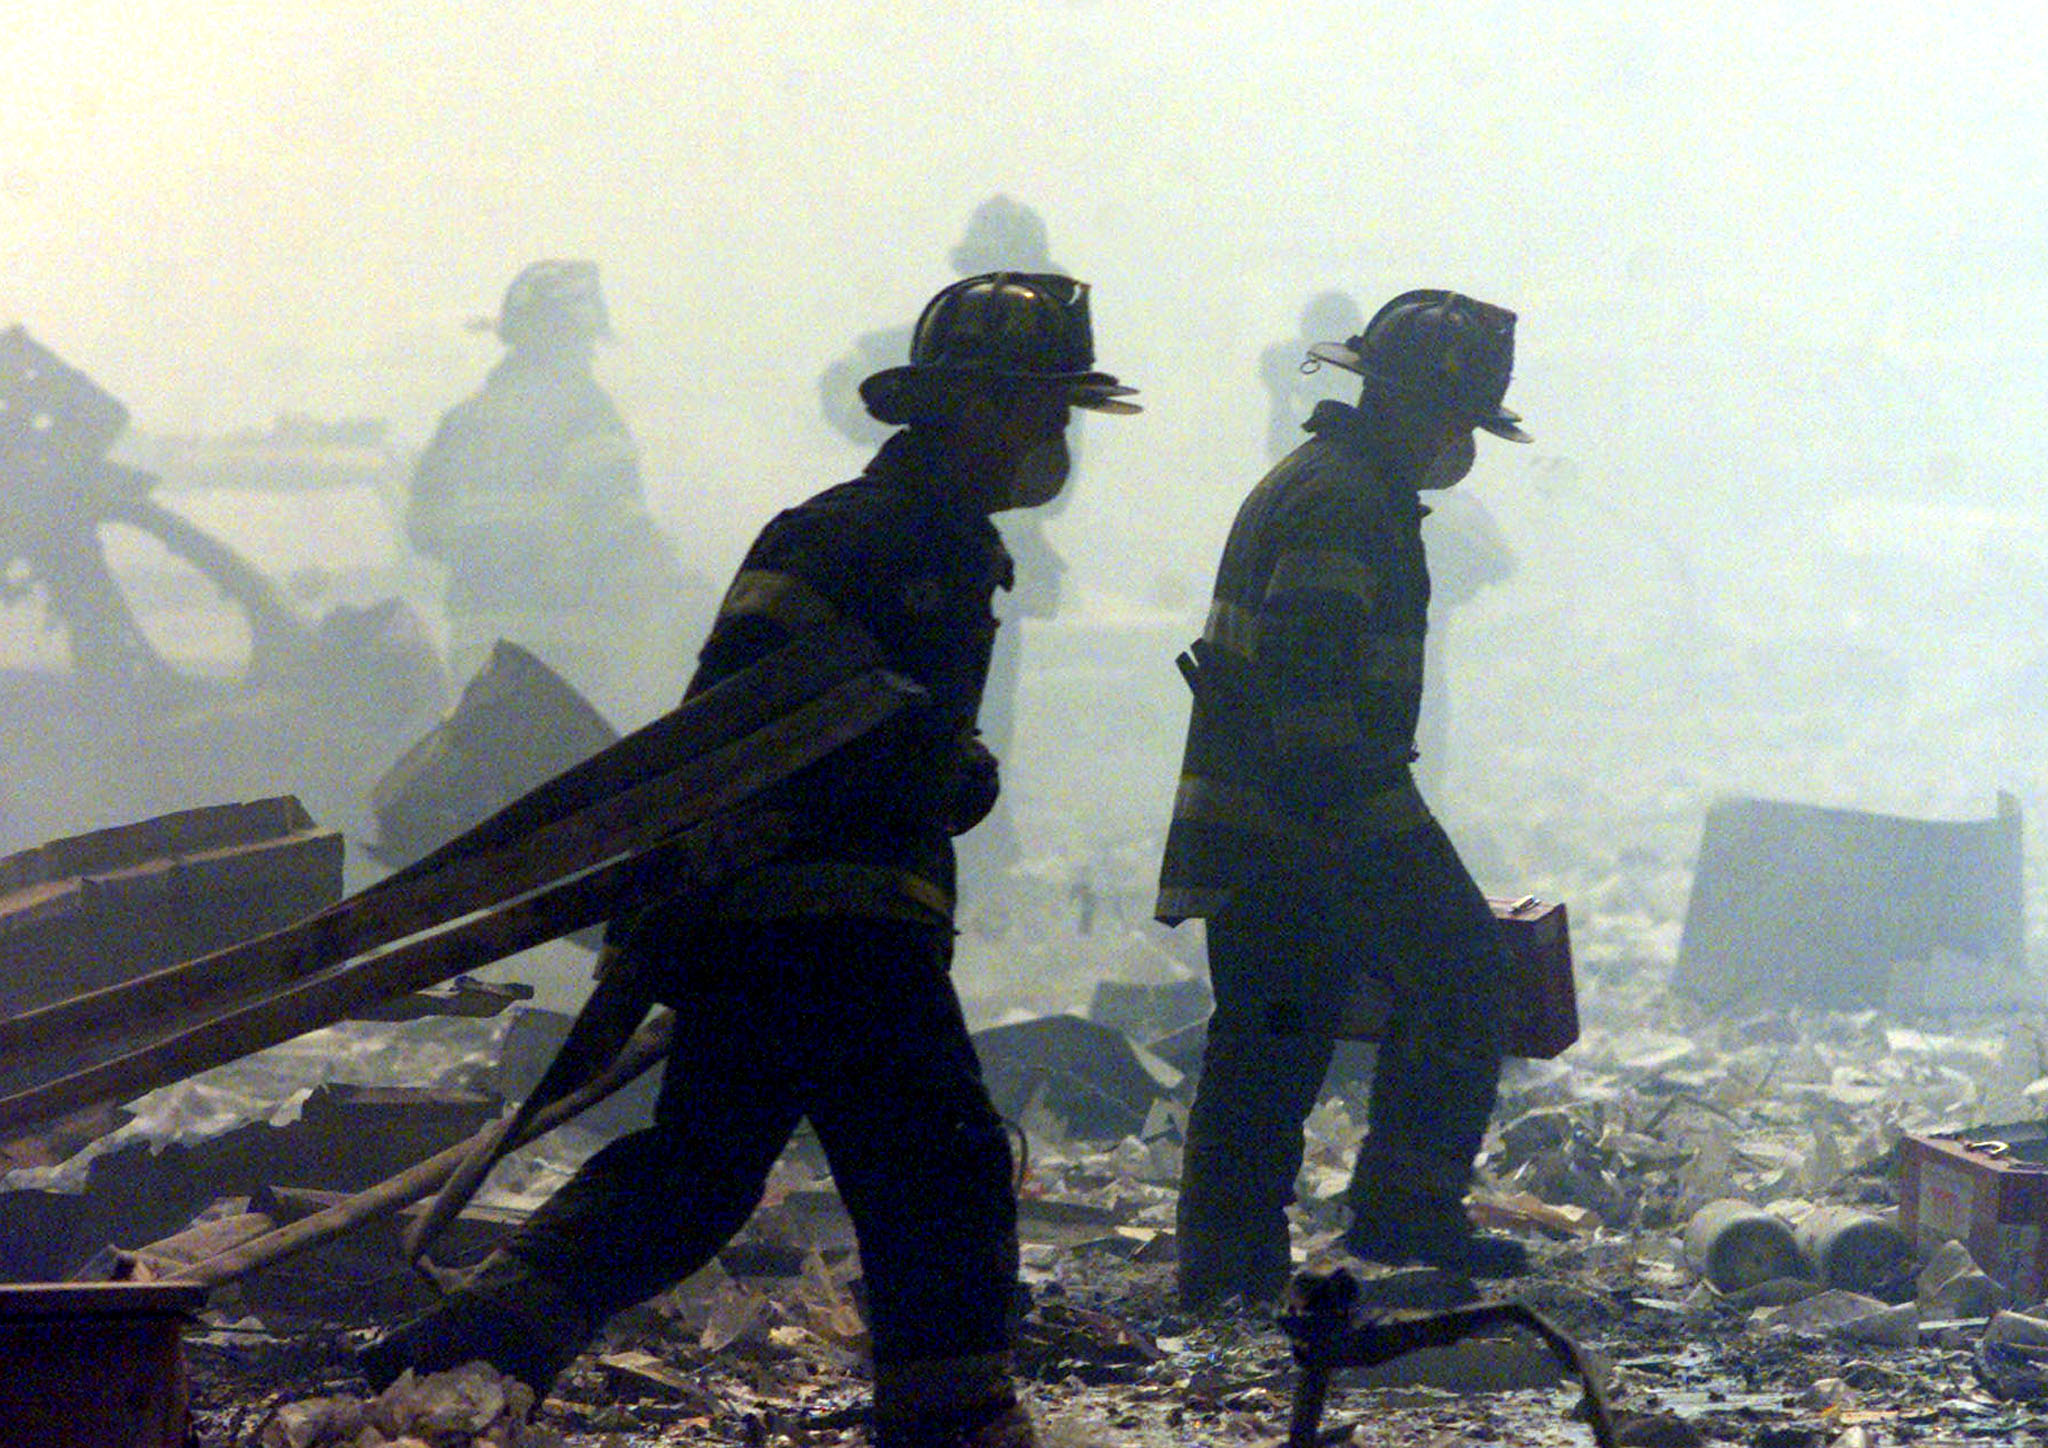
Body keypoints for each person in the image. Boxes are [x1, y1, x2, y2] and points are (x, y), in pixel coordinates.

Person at [360, 272, 1139, 1447]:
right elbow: (819, 727)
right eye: (1045, 410)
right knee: (941, 1157)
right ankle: (954, 1419)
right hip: (827, 918)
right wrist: (956, 772)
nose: (1055, 440)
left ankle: (458, 1349)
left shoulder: (892, 529)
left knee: (699, 1168)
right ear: (976, 405)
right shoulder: (891, 534)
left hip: (770, 914)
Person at [1155, 289, 1533, 1308]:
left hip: (1262, 821)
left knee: (1270, 1038)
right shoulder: (1342, 503)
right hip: (1305, 821)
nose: (1463, 446)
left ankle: (1227, 1268)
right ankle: (1403, 1210)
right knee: (1464, 973)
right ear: (1422, 411)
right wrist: (1392, 845)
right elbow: (1312, 710)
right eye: (1461, 424)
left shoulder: (1335, 484)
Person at [406, 259, 697, 721]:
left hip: (477, 648)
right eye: (583, 341)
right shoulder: (585, 411)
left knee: (492, 777)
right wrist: (678, 586)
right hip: (568, 648)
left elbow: (422, 532)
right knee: (578, 780)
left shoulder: (461, 422)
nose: (587, 354)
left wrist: (491, 563)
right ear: (565, 337)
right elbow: (619, 520)